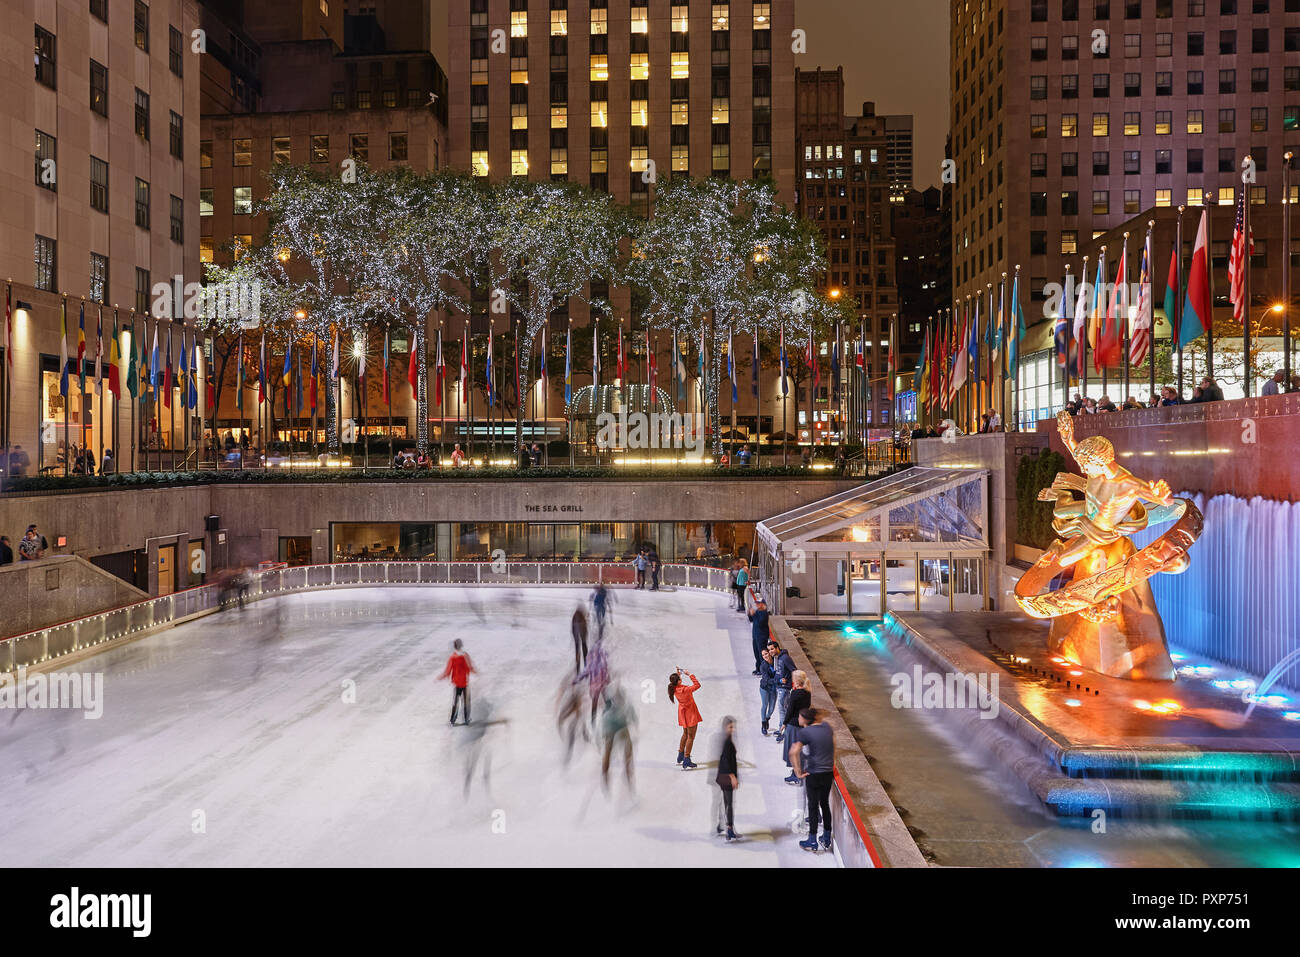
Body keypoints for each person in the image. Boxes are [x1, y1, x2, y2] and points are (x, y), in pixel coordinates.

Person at [789, 707, 835, 852]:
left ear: (806, 719)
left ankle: (812, 840)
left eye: (800, 716)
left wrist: (798, 772)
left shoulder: (805, 732)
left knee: (813, 806)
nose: (798, 718)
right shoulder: (827, 727)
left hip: (813, 774)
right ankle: (826, 837)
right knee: (825, 804)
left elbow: (793, 752)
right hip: (828, 773)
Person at [599, 682, 637, 794]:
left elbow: (632, 716)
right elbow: (632, 716)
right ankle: (605, 776)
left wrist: (634, 723)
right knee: (609, 753)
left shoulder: (626, 706)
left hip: (621, 726)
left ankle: (628, 777)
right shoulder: (609, 713)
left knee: (628, 755)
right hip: (612, 727)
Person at [780, 671, 813, 784]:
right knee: (799, 751)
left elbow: (790, 710)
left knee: (792, 750)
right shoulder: (807, 692)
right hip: (802, 724)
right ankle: (797, 772)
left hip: (793, 725)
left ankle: (796, 775)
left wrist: (784, 723)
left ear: (797, 681)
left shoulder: (795, 693)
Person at [669, 668, 702, 769]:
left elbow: (677, 683)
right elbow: (697, 685)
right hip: (690, 713)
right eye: (679, 678)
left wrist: (679, 675)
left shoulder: (673, 688)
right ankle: (686, 759)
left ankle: (680, 754)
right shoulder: (685, 690)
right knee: (691, 737)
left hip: (683, 713)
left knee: (685, 734)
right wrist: (689, 674)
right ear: (678, 681)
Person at [714, 716, 740, 841]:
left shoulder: (727, 740)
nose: (733, 729)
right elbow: (725, 761)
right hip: (727, 776)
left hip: (723, 776)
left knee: (726, 801)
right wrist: (733, 777)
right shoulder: (727, 742)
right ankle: (729, 828)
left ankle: (721, 825)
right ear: (725, 728)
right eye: (730, 727)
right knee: (729, 803)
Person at [440, 638, 476, 725]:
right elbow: (470, 667)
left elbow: (448, 671)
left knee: (455, 703)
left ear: (454, 646)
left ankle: (452, 720)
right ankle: (466, 719)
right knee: (466, 702)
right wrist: (475, 672)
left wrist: (441, 677)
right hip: (465, 683)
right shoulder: (465, 655)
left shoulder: (452, 657)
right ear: (461, 645)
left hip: (457, 684)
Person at [770, 641, 794, 734]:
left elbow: (794, 670)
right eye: (769, 650)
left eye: (772, 649)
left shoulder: (785, 658)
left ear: (777, 648)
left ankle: (783, 731)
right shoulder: (778, 658)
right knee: (782, 709)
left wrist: (788, 681)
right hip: (780, 687)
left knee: (783, 710)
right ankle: (782, 729)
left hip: (784, 688)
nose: (771, 651)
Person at [757, 647, 777, 735]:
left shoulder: (775, 661)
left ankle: (767, 718)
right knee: (765, 705)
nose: (765, 656)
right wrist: (778, 681)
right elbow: (767, 679)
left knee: (772, 708)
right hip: (764, 688)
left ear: (769, 653)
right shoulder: (763, 666)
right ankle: (763, 724)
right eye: (763, 655)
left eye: (766, 653)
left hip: (773, 689)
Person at [748, 596, 770, 675]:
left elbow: (760, 623)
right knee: (756, 653)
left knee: (762, 654)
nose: (757, 605)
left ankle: (763, 670)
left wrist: (753, 615)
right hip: (755, 636)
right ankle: (758, 668)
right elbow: (752, 620)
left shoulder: (764, 613)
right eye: (756, 603)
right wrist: (750, 614)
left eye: (758, 603)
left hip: (761, 636)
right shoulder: (757, 611)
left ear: (762, 604)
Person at [570, 605, 589, 676]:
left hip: (579, 630)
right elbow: (574, 630)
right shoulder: (577, 619)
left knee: (582, 648)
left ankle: (584, 668)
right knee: (580, 649)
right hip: (578, 630)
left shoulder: (579, 619)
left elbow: (585, 631)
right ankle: (580, 669)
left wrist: (581, 640)